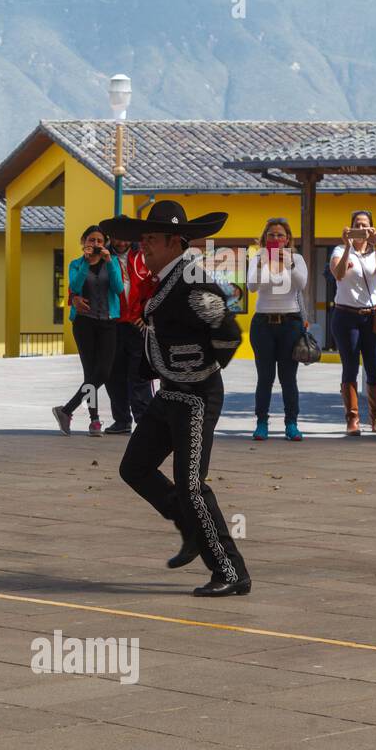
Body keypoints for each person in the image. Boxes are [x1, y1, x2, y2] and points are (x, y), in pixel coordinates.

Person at [103, 201, 250, 598]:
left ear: (174, 241)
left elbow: (227, 334)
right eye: (142, 238)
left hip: (196, 395)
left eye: (150, 239)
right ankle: (188, 525)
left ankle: (229, 569)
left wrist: (198, 368)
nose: (143, 246)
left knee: (190, 484)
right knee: (134, 467)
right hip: (170, 394)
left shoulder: (192, 280)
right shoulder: (168, 277)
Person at [53, 225, 125, 436]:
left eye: (100, 241)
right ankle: (94, 422)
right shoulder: (76, 264)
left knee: (103, 372)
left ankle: (66, 410)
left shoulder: (112, 263)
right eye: (91, 240)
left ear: (105, 244)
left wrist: (110, 261)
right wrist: (85, 263)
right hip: (84, 323)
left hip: (108, 322)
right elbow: (74, 287)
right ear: (83, 242)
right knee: (90, 373)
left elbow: (119, 288)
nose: (95, 244)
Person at [246, 218, 308, 442]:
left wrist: (288, 263)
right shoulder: (257, 258)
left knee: (288, 377)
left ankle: (291, 423)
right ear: (265, 238)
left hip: (290, 322)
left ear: (288, 239)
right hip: (263, 323)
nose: (276, 239)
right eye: (271, 235)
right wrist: (264, 263)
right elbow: (252, 286)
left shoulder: (297, 259)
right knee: (265, 377)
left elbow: (301, 285)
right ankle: (261, 422)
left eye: (280, 235)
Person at [330, 210, 376, 435]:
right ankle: (352, 419)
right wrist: (347, 246)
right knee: (350, 367)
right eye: (357, 224)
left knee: (374, 369)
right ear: (351, 226)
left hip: (372, 316)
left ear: (372, 228)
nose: (361, 228)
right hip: (346, 316)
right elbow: (338, 274)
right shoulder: (339, 249)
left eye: (365, 225)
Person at [106, 235, 153, 433]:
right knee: (113, 374)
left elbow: (154, 285)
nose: (121, 242)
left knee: (140, 375)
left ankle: (145, 421)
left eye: (124, 238)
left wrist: (147, 315)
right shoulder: (103, 257)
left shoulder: (143, 255)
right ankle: (122, 421)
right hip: (112, 323)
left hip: (138, 324)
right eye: (117, 238)